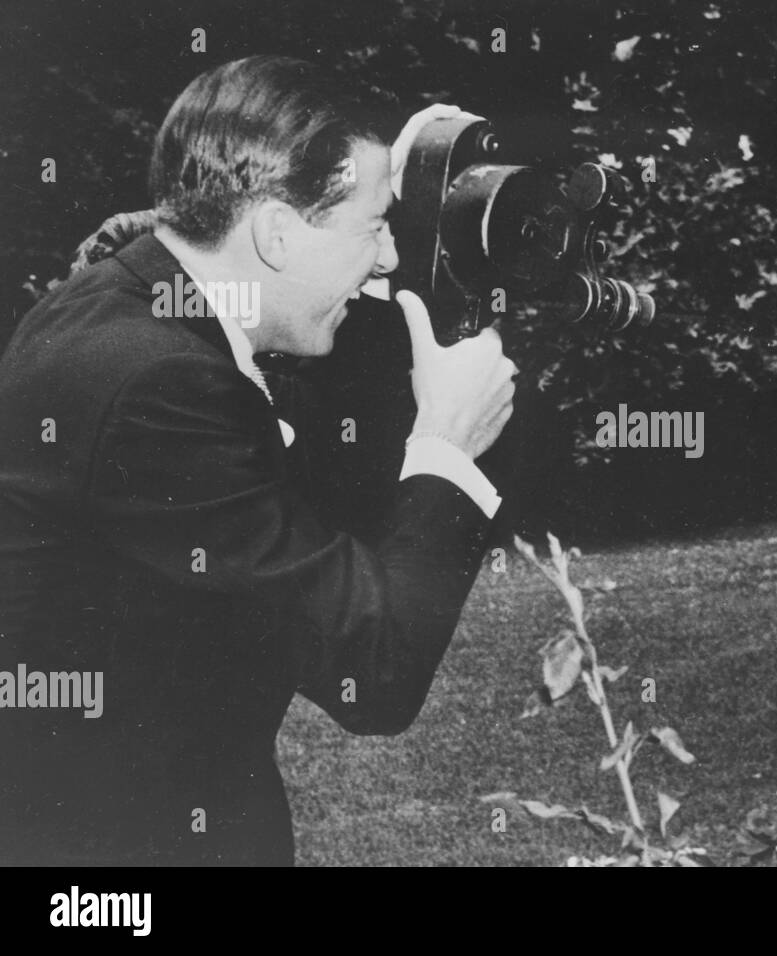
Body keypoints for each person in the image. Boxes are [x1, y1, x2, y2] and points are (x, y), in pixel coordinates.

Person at [0, 56, 516, 865]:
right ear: (276, 233)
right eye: (375, 227)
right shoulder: (157, 389)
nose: (387, 260)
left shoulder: (128, 302)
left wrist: (409, 186)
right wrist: (448, 446)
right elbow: (373, 673)